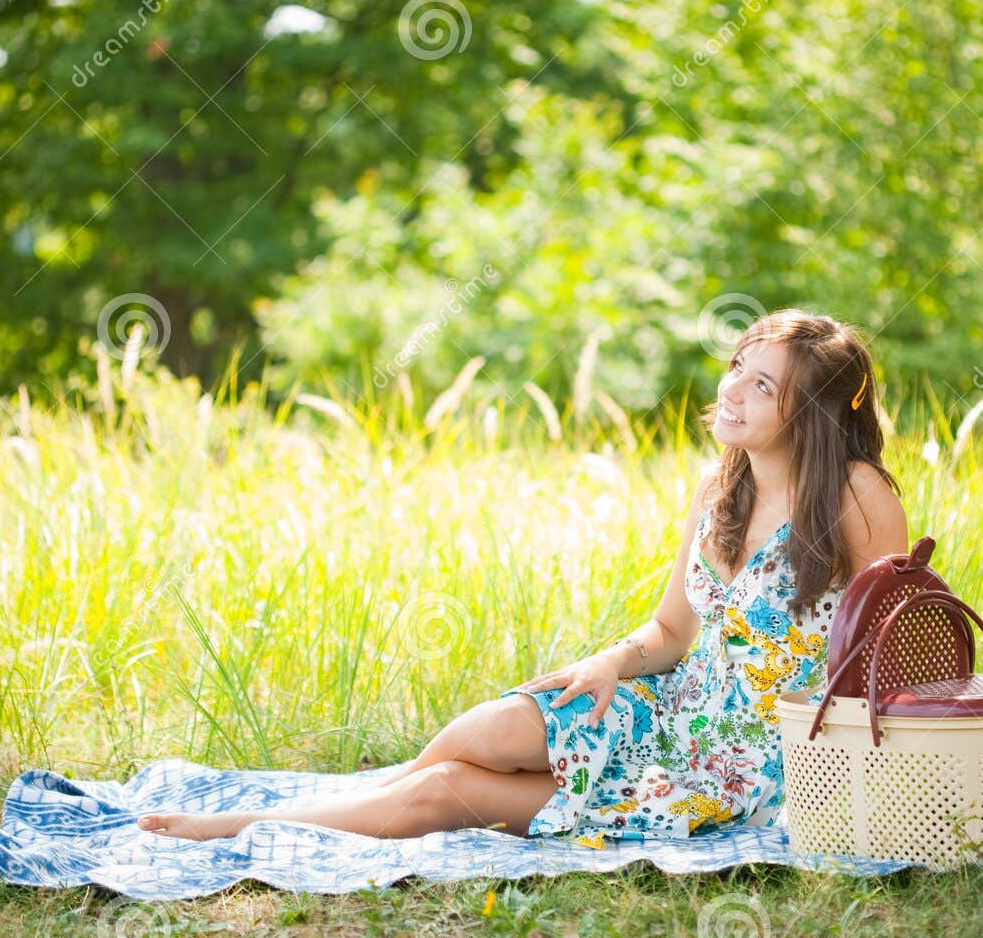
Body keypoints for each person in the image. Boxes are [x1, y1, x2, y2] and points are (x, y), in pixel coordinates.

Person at [136, 308, 909, 841]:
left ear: (809, 411)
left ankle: (252, 825)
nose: (731, 387)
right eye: (737, 365)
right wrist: (610, 661)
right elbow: (672, 630)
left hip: (746, 762)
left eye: (763, 383)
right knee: (503, 725)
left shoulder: (853, 493)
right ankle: (358, 797)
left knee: (444, 794)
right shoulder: (721, 490)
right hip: (677, 705)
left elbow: (893, 642)